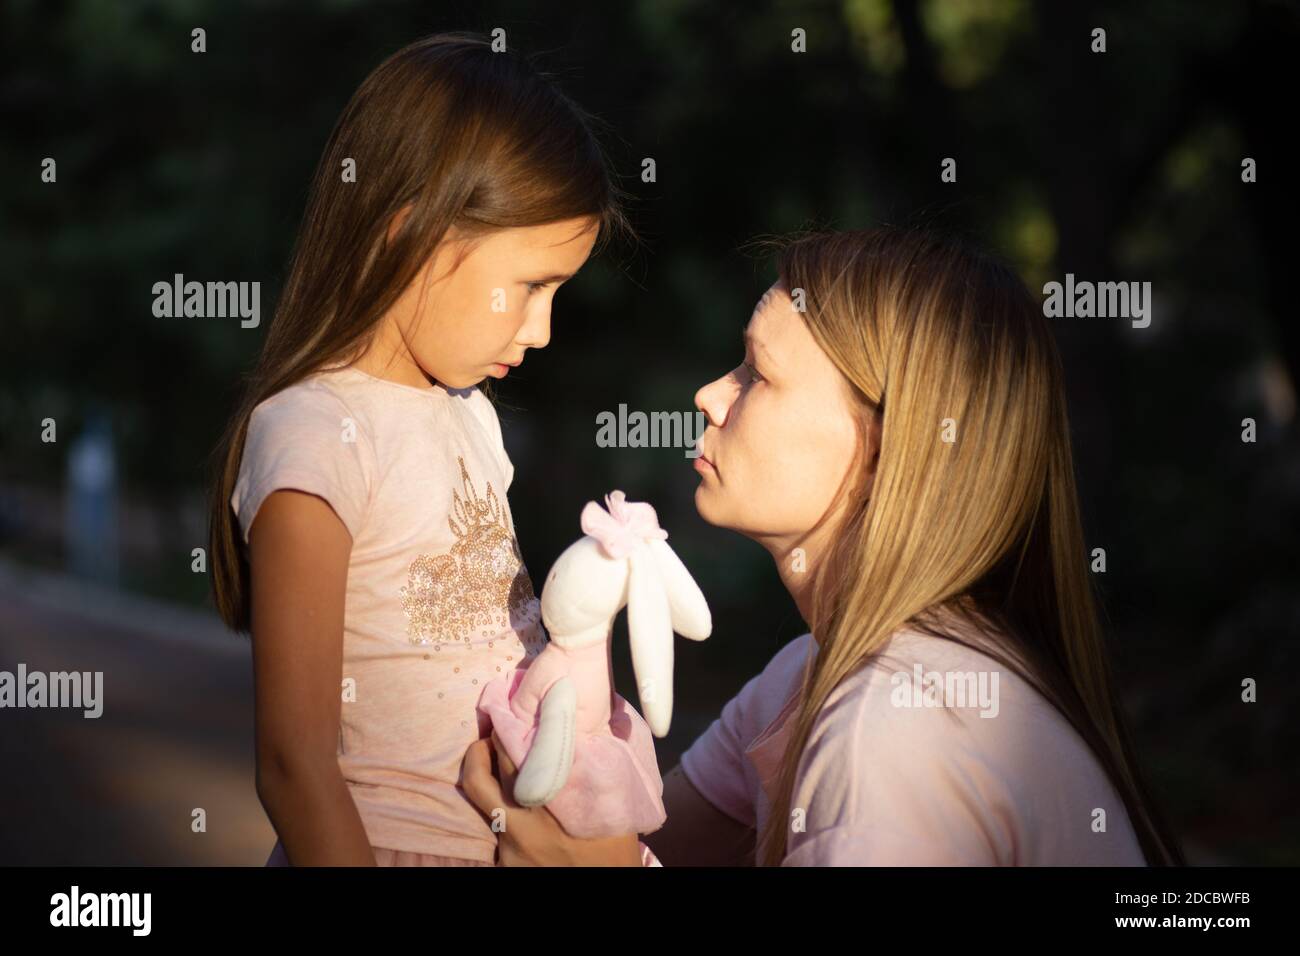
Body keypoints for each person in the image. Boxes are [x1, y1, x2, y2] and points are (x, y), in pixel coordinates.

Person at [463, 227, 1185, 866]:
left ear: (885, 447)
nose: (710, 395)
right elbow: (655, 842)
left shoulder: (895, 728)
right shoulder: (806, 675)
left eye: (757, 374)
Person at [206, 31, 630, 866]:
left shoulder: (471, 418)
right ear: (410, 237)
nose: (541, 329)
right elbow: (293, 766)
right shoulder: (315, 433)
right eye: (531, 286)